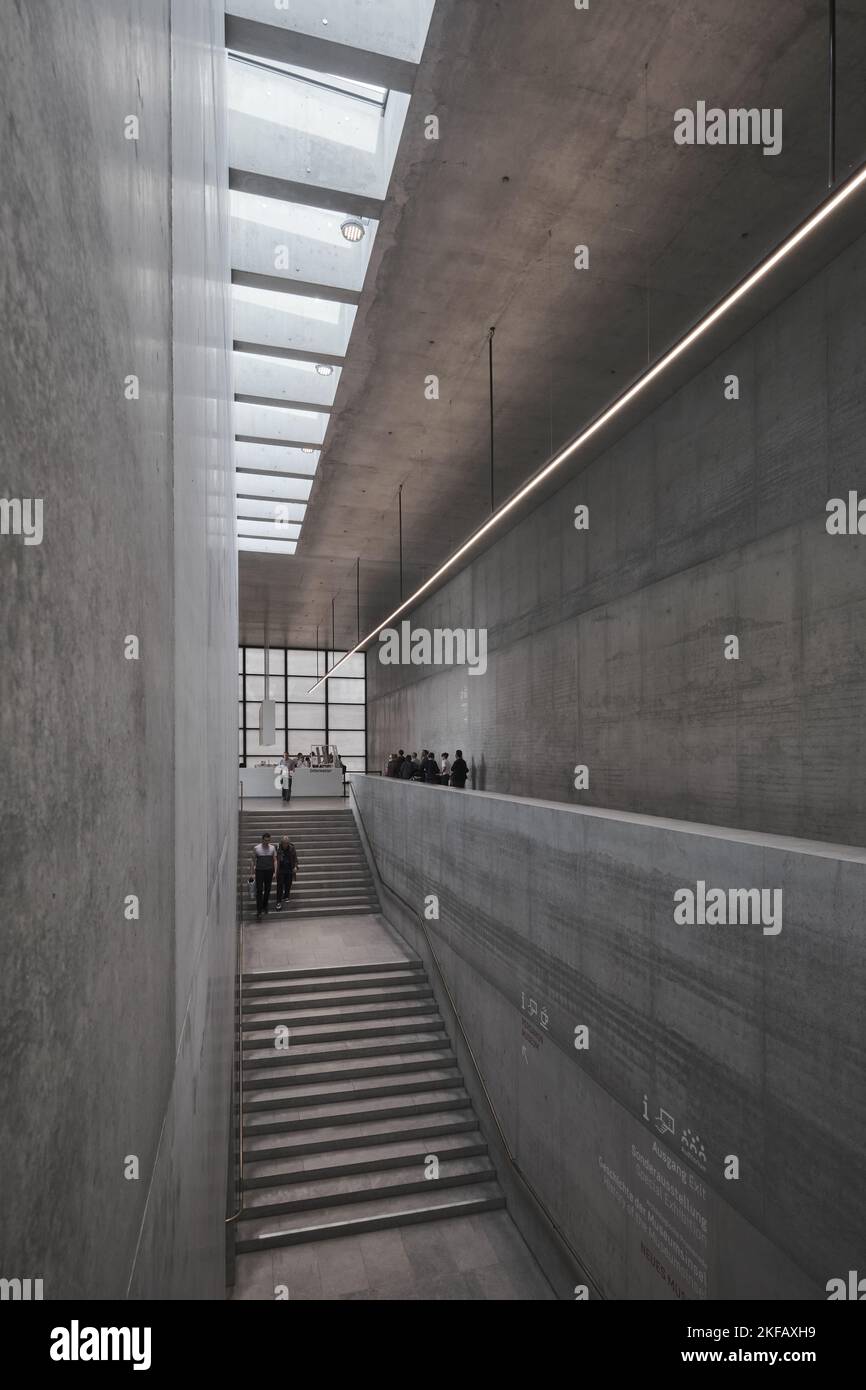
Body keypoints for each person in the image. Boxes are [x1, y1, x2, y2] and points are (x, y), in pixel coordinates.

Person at [250, 833, 277, 919]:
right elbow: (252, 861)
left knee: (268, 889)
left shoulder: (272, 848)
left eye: (268, 840)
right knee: (259, 890)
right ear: (262, 840)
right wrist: (252, 873)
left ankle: (265, 906)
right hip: (259, 871)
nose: (267, 842)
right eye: (265, 840)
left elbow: (275, 860)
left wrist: (275, 872)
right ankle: (259, 910)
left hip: (269, 871)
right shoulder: (256, 848)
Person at [275, 835, 299, 908]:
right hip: (281, 869)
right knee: (280, 885)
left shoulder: (292, 848)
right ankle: (278, 901)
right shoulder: (277, 848)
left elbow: (295, 859)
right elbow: (274, 859)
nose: (285, 844)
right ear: (281, 842)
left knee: (288, 883)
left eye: (287, 843)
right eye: (284, 843)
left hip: (289, 869)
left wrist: (295, 867)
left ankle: (286, 896)